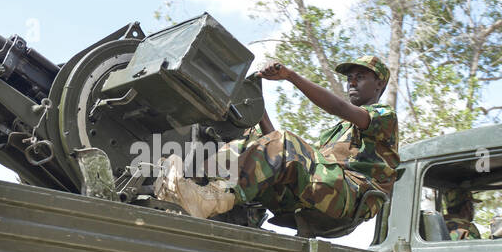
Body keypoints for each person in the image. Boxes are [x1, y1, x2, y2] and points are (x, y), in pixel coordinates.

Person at [154, 56, 400, 232]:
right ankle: (189, 184)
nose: (352, 82)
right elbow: (281, 156)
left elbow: (337, 108)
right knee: (251, 140)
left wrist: (291, 77)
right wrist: (258, 109)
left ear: (379, 84)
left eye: (361, 77)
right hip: (317, 199)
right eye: (349, 78)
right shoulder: (336, 134)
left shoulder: (384, 116)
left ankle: (211, 198)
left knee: (285, 142)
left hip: (349, 201)